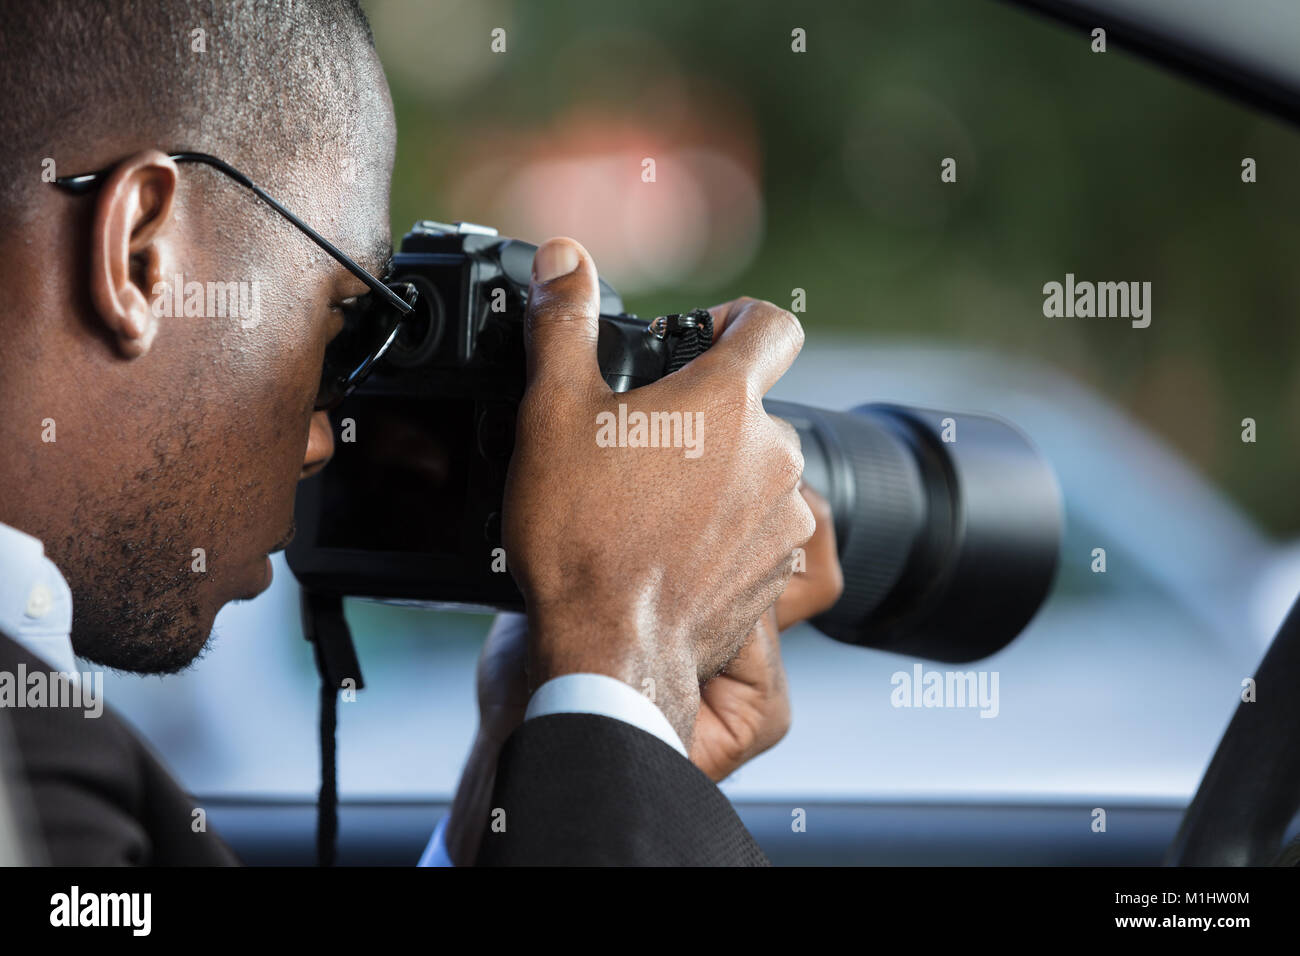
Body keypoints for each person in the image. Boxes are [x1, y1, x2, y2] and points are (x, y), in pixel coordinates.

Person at [0, 0, 841, 865]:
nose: (325, 438)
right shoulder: (30, 778)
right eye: (341, 320)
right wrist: (626, 650)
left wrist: (554, 733)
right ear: (142, 257)